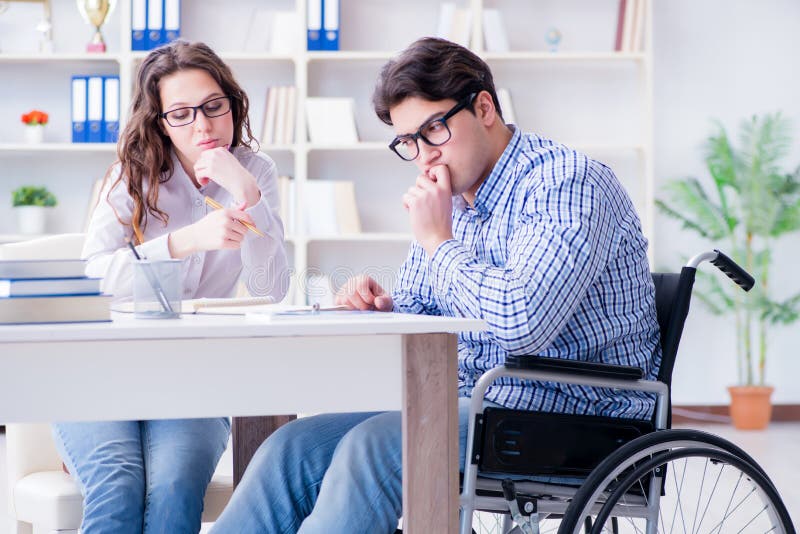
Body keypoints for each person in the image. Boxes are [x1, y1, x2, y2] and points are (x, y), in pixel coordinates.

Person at [210, 37, 661, 533]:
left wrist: (438, 242)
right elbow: (427, 309)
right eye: (409, 142)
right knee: (290, 450)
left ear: (484, 107)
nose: (424, 157)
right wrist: (381, 307)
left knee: (376, 448)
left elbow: (521, 324)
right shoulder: (455, 197)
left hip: (576, 413)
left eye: (434, 131)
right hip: (476, 398)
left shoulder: (566, 183)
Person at [52, 40, 288, 534]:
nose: (202, 125)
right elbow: (92, 276)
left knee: (174, 495)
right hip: (99, 375)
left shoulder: (256, 172)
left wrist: (248, 195)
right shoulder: (132, 175)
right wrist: (182, 243)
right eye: (180, 113)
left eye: (212, 106)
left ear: (232, 104)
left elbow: (272, 288)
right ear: (159, 120)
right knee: (118, 490)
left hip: (192, 379)